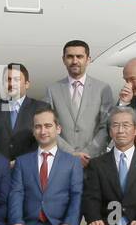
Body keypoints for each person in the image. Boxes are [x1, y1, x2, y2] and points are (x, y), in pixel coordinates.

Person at [83, 106, 136, 225]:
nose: (120, 130)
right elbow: (91, 197)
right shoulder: (96, 164)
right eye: (115, 125)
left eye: (126, 125)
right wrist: (95, 219)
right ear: (110, 131)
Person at [9, 107, 83, 225]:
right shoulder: (22, 162)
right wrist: (17, 222)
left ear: (58, 129)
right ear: (33, 131)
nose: (43, 131)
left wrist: (69, 224)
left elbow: (76, 196)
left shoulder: (73, 162)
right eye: (38, 127)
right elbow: (16, 194)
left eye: (48, 126)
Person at [45, 40, 114, 168]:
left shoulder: (103, 89)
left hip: (94, 161)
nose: (75, 61)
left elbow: (106, 127)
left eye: (79, 57)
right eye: (70, 57)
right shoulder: (52, 90)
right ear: (63, 59)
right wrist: (71, 154)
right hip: (62, 161)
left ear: (88, 59)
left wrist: (87, 153)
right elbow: (49, 127)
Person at [0, 62, 50, 163]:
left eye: (16, 80)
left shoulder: (41, 108)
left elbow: (45, 138)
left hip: (29, 168)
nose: (11, 83)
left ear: (27, 84)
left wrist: (20, 161)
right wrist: (1, 161)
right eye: (8, 80)